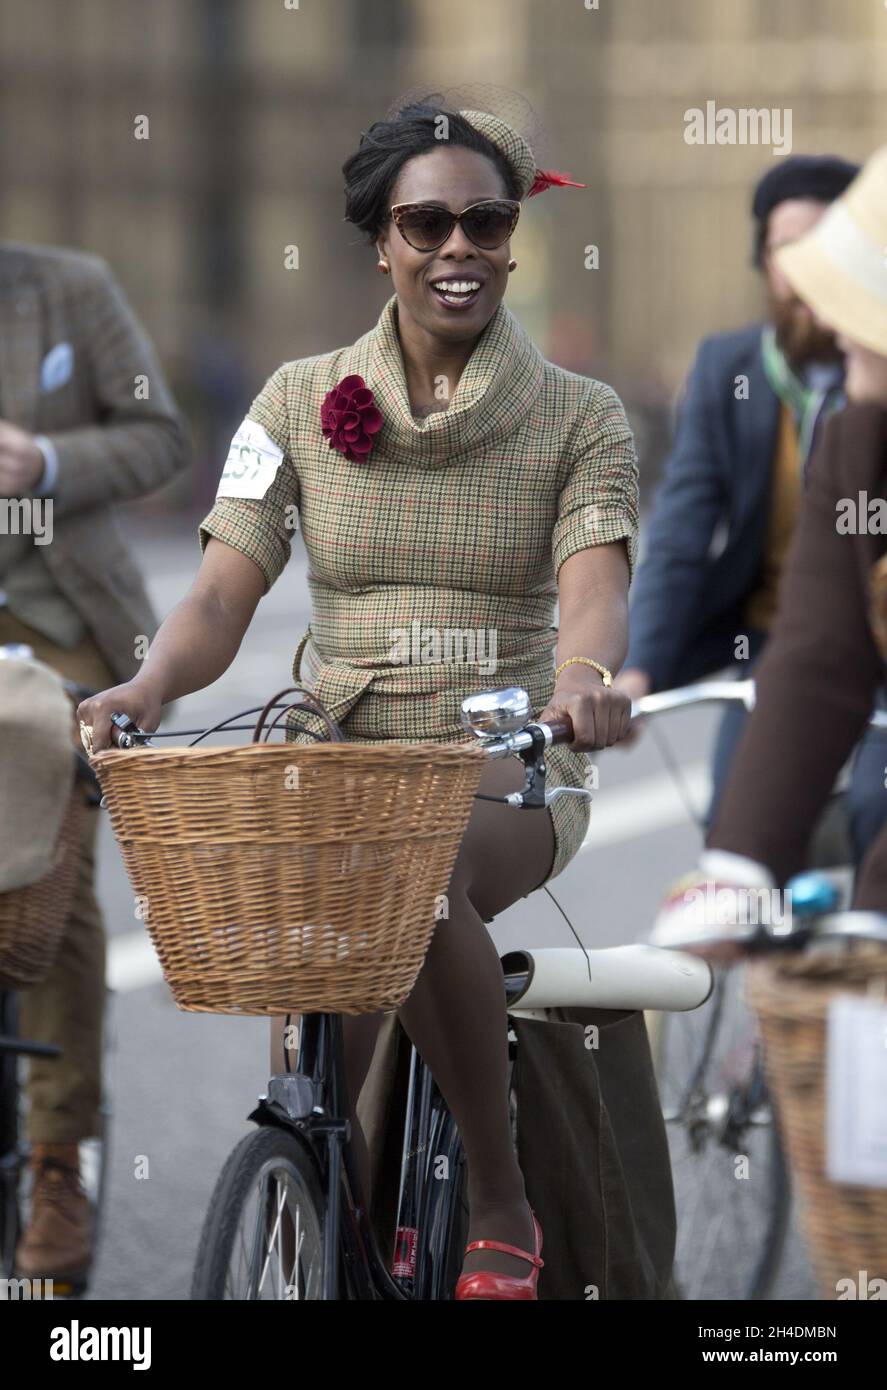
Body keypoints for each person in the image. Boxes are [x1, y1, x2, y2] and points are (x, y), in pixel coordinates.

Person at [77, 92, 640, 1299]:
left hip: (508, 762)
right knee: (317, 905)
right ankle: (314, 1177)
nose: (457, 251)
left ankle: (498, 1197)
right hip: (334, 756)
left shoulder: (581, 417)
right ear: (377, 241)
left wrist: (583, 685)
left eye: (484, 224)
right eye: (425, 223)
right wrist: (148, 682)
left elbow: (594, 589)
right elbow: (220, 596)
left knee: (418, 871)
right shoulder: (296, 399)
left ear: (510, 238)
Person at [0, 241, 190, 1284]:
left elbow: (162, 436)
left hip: (63, 627)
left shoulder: (69, 288)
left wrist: (48, 465)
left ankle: (56, 1159)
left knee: (47, 866)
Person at [613, 155, 887, 865]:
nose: (805, 278)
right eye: (785, 252)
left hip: (876, 649)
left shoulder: (871, 390)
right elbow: (680, 527)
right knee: (736, 821)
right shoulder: (726, 369)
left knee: (871, 811)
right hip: (768, 648)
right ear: (760, 263)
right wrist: (641, 666)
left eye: (824, 250)